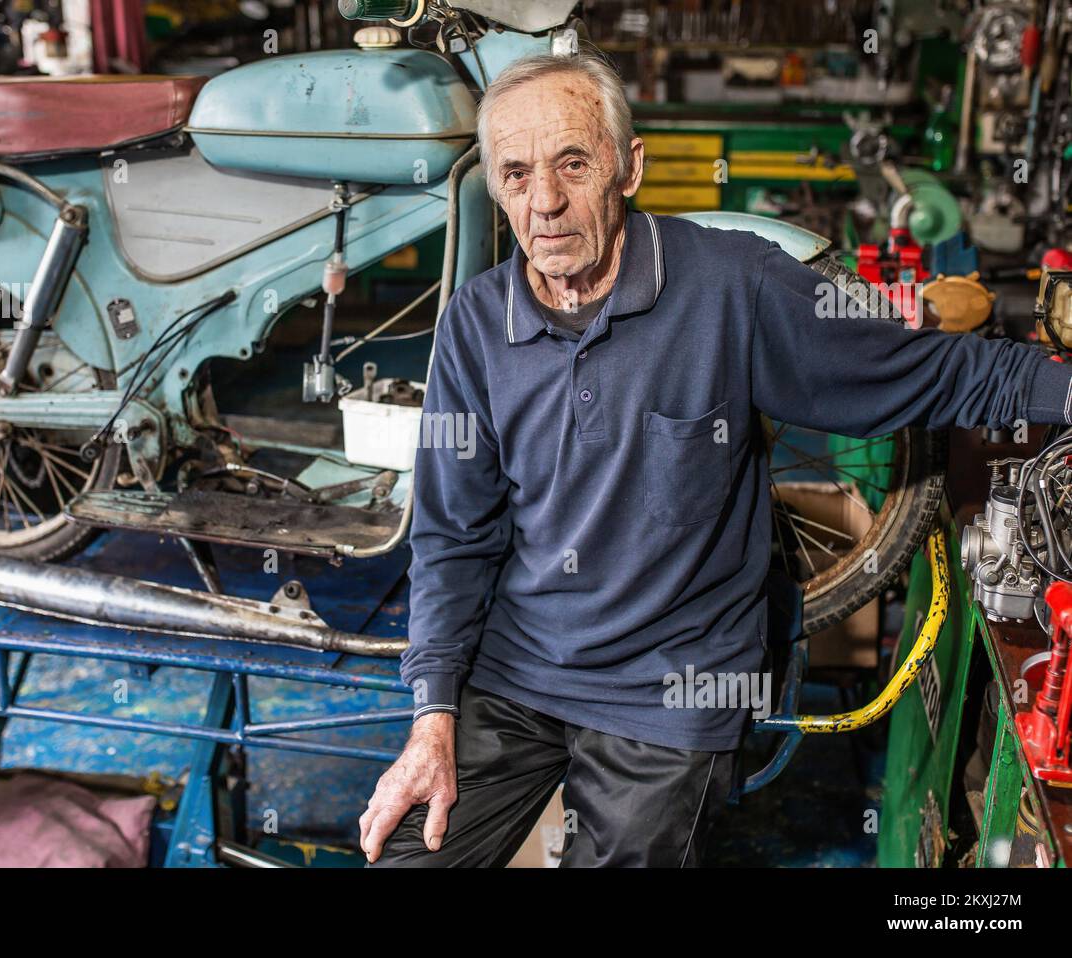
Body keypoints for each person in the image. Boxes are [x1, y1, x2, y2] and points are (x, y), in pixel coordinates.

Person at [359, 51, 1072, 867]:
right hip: (519, 669)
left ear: (629, 169)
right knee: (405, 859)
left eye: (572, 164)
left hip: (671, 689)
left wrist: (1059, 389)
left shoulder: (732, 285)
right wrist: (432, 718)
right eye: (515, 174)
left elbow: (909, 370)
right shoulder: (475, 325)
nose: (544, 203)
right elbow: (452, 537)